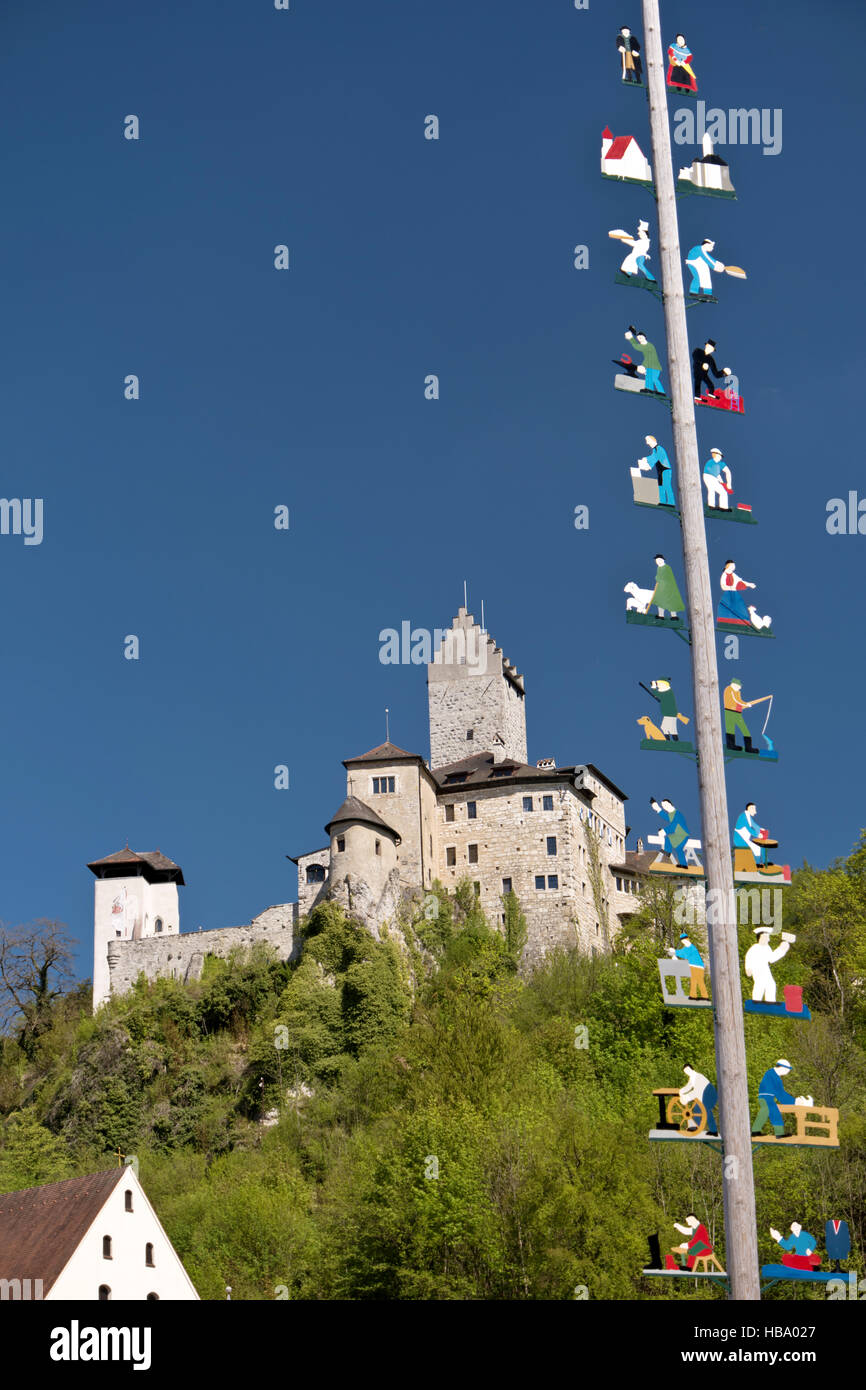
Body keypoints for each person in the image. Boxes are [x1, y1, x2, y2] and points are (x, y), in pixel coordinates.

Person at [752, 1060, 812, 1138]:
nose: (787, 1073)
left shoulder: (771, 1074)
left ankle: (756, 1131)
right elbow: (781, 1095)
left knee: (764, 1113)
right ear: (782, 1068)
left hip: (765, 1097)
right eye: (787, 1070)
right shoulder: (774, 1076)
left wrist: (794, 1101)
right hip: (766, 1098)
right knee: (774, 1114)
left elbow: (781, 1094)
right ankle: (778, 1133)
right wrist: (795, 1102)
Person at [744, 927, 794, 1003]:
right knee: (760, 984)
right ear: (761, 937)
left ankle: (770, 1002)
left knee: (771, 985)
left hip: (765, 969)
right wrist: (748, 968)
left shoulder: (767, 948)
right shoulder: (754, 948)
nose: (768, 939)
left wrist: (782, 949)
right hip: (757, 969)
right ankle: (756, 1001)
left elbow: (771, 958)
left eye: (768, 937)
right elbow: (748, 958)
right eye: (766, 937)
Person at [650, 796, 692, 868]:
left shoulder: (677, 814)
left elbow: (674, 826)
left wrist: (664, 831)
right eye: (663, 806)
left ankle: (668, 852)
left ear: (670, 804)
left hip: (683, 834)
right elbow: (666, 817)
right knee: (679, 848)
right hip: (681, 834)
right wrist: (657, 808)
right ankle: (684, 864)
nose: (665, 807)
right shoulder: (672, 814)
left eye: (666, 805)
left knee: (669, 839)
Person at [724, 677, 760, 753]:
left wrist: (745, 704)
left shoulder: (737, 692)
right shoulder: (729, 690)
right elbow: (735, 700)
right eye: (738, 686)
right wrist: (746, 704)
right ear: (734, 684)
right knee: (730, 729)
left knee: (744, 729)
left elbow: (739, 701)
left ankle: (748, 747)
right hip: (729, 711)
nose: (739, 687)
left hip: (737, 712)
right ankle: (731, 745)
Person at [625, 327, 665, 395]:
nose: (639, 339)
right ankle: (650, 389)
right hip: (651, 366)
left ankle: (660, 392)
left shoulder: (649, 346)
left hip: (654, 366)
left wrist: (631, 339)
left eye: (641, 337)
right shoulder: (646, 345)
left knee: (653, 378)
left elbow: (638, 347)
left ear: (645, 337)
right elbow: (638, 346)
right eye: (638, 338)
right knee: (649, 378)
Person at [679, 1063, 718, 1132]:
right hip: (708, 1095)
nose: (687, 1072)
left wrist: (686, 1097)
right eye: (685, 1071)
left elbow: (696, 1091)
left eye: (688, 1070)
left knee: (701, 1110)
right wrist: (681, 1091)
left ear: (692, 1069)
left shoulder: (696, 1077)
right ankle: (709, 1130)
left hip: (709, 1095)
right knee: (701, 1110)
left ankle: (700, 1128)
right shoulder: (693, 1077)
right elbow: (688, 1087)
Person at [668, 935, 708, 1000]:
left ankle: (703, 996)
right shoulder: (688, 947)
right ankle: (694, 995)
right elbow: (682, 952)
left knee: (698, 981)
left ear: (687, 939)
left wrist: (674, 952)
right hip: (695, 966)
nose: (684, 942)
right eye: (682, 941)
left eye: (684, 940)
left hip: (697, 966)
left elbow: (684, 954)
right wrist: (674, 952)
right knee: (694, 981)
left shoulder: (691, 948)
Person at [637, 435, 674, 505]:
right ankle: (662, 501)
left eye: (648, 441)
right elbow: (653, 457)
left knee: (667, 486)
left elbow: (655, 457)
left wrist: (647, 461)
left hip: (665, 470)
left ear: (652, 440)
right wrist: (647, 462)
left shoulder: (659, 449)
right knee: (660, 486)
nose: (647, 443)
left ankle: (671, 502)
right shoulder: (655, 450)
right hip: (660, 471)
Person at [645, 553, 684, 618]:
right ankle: (661, 615)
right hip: (661, 588)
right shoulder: (659, 568)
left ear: (663, 560)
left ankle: (674, 616)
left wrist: (659, 579)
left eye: (659, 560)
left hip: (669, 588)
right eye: (656, 560)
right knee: (660, 601)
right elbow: (658, 577)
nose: (658, 562)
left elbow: (667, 577)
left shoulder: (667, 567)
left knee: (671, 601)